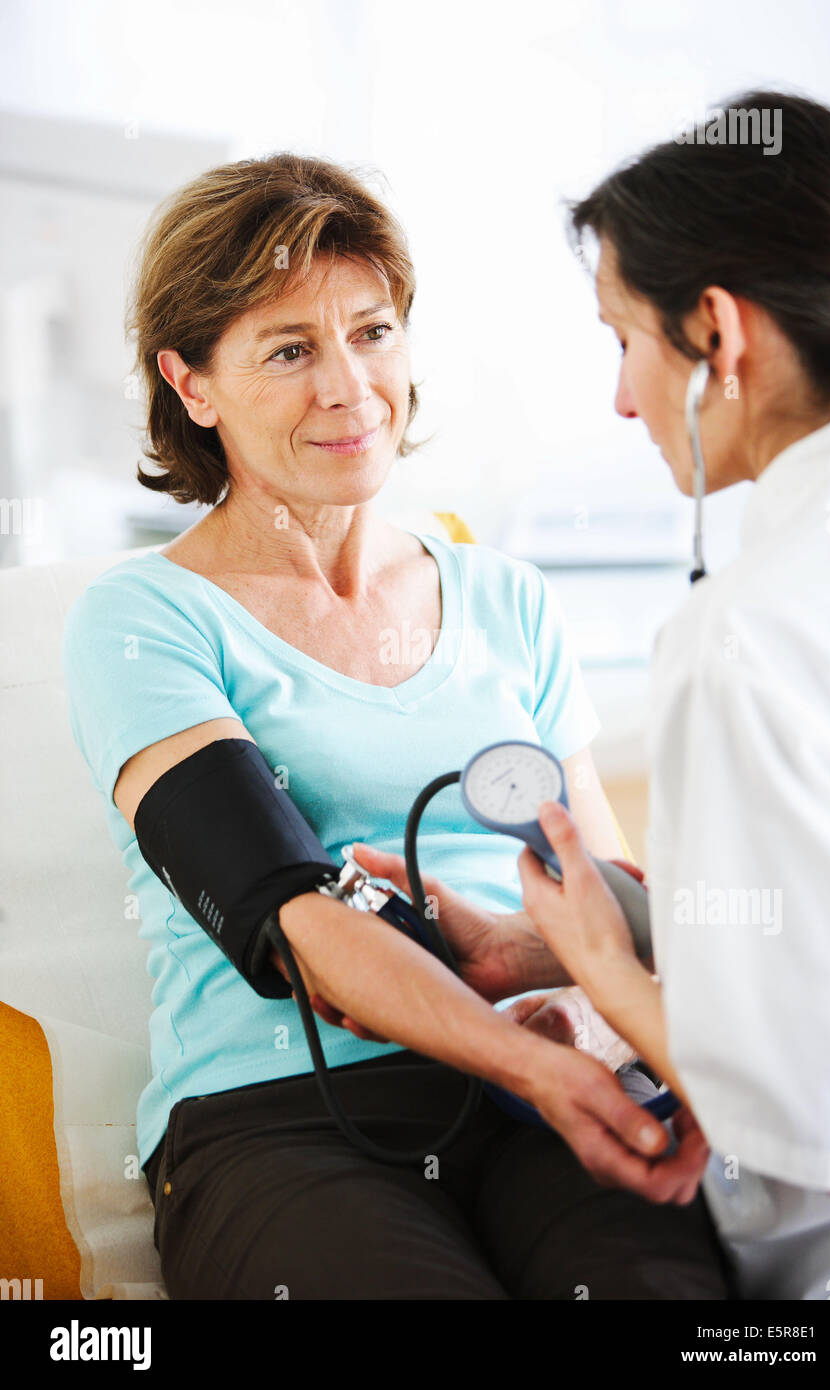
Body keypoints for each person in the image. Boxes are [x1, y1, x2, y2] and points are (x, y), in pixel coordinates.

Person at [62, 152, 730, 1300]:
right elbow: (289, 915)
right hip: (279, 1124)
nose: (348, 386)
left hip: (547, 1091)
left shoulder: (508, 599)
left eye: (371, 332)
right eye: (287, 349)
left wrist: (617, 1014)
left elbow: (599, 877)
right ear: (191, 384)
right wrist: (528, 1057)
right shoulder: (143, 618)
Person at [355, 89, 830, 1301]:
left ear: (716, 336)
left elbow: (811, 1137)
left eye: (622, 338)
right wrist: (560, 946)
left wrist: (607, 969)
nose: (623, 401)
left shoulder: (746, 635)